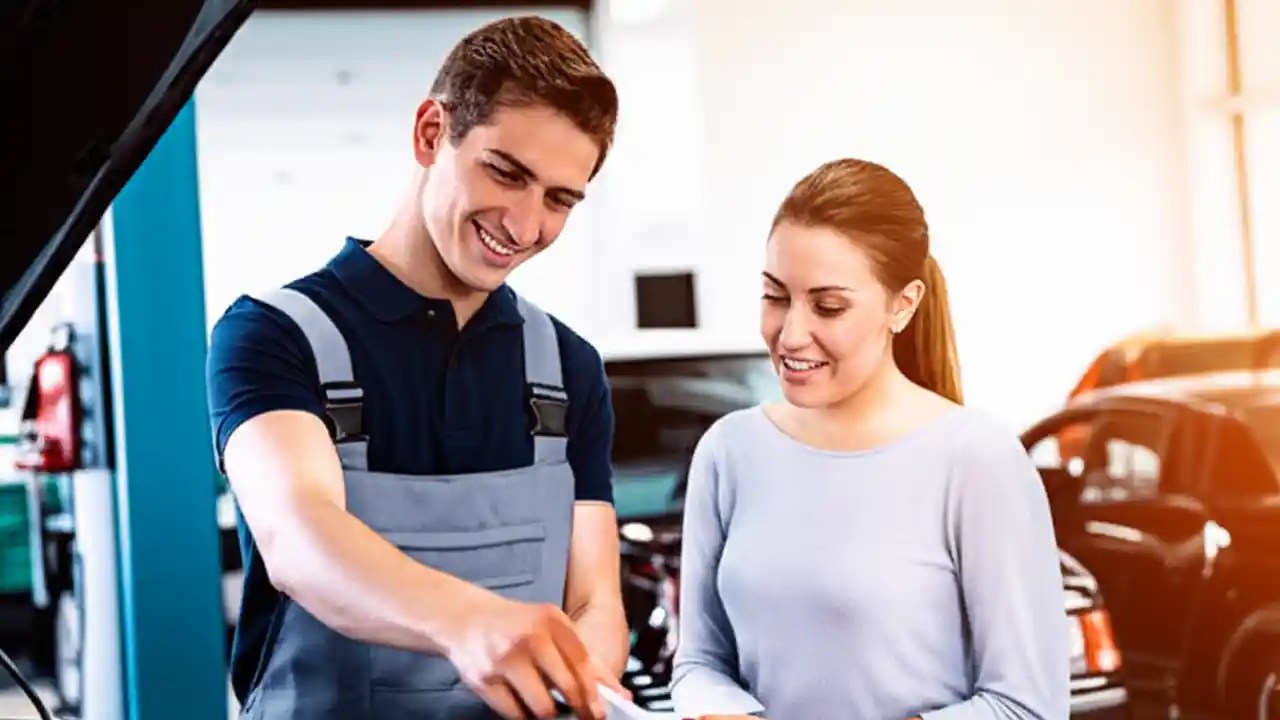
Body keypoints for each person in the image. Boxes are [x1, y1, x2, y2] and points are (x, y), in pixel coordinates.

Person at [206, 16, 627, 720]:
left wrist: (581, 687)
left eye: (559, 200)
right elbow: (297, 536)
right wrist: (468, 623)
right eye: (506, 173)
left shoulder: (568, 369)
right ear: (432, 133)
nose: (524, 227)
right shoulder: (275, 336)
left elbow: (593, 601)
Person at [669, 159, 1071, 720]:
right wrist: (721, 709)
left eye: (828, 306)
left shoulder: (976, 458)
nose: (790, 334)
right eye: (775, 296)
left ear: (902, 304)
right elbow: (699, 664)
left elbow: (1028, 706)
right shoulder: (728, 451)